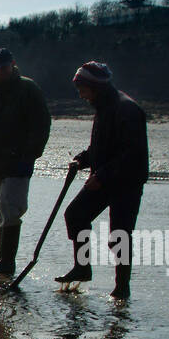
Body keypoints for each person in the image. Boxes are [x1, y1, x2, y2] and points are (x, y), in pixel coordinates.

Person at [54, 61, 149, 300]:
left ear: (94, 87)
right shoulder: (104, 107)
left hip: (127, 182)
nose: (80, 94)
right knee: (75, 215)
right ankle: (83, 268)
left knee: (120, 235)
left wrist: (102, 175)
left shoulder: (127, 109)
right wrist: (82, 160)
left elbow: (133, 154)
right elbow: (102, 148)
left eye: (82, 89)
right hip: (104, 178)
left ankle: (121, 287)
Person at [0, 48, 51, 277]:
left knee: (11, 207)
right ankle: (1, 256)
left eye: (3, 68)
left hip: (18, 160)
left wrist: (30, 154)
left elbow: (42, 124)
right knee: (1, 208)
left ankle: (8, 263)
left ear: (12, 65)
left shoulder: (28, 89)